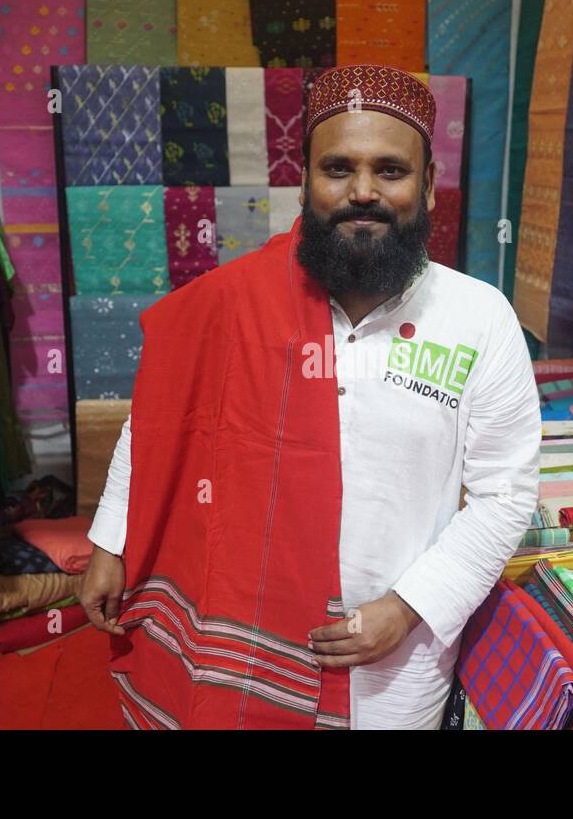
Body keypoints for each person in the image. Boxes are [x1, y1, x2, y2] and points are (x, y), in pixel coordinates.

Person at [80, 63, 541, 729]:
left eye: (390, 170)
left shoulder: (479, 318)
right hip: (234, 622)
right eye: (336, 169)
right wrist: (111, 540)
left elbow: (505, 494)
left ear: (429, 187)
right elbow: (160, 418)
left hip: (393, 656)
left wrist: (407, 608)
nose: (362, 191)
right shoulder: (233, 302)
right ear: (304, 182)